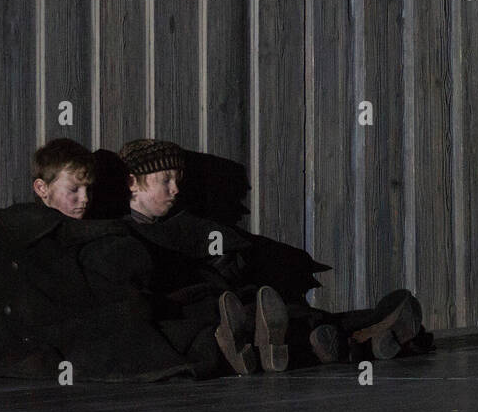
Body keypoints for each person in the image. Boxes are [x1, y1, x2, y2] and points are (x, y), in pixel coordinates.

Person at [116, 138, 431, 372]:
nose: (174, 190)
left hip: (236, 300)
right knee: (266, 318)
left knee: (294, 315)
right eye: (164, 181)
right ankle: (355, 341)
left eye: (177, 181)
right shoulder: (121, 234)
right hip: (204, 312)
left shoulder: (191, 224)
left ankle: (362, 335)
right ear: (133, 183)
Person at [0, 138, 224, 381]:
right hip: (47, 337)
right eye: (74, 190)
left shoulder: (79, 228)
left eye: (88, 189)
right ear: (42, 189)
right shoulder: (24, 224)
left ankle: (235, 335)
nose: (85, 199)